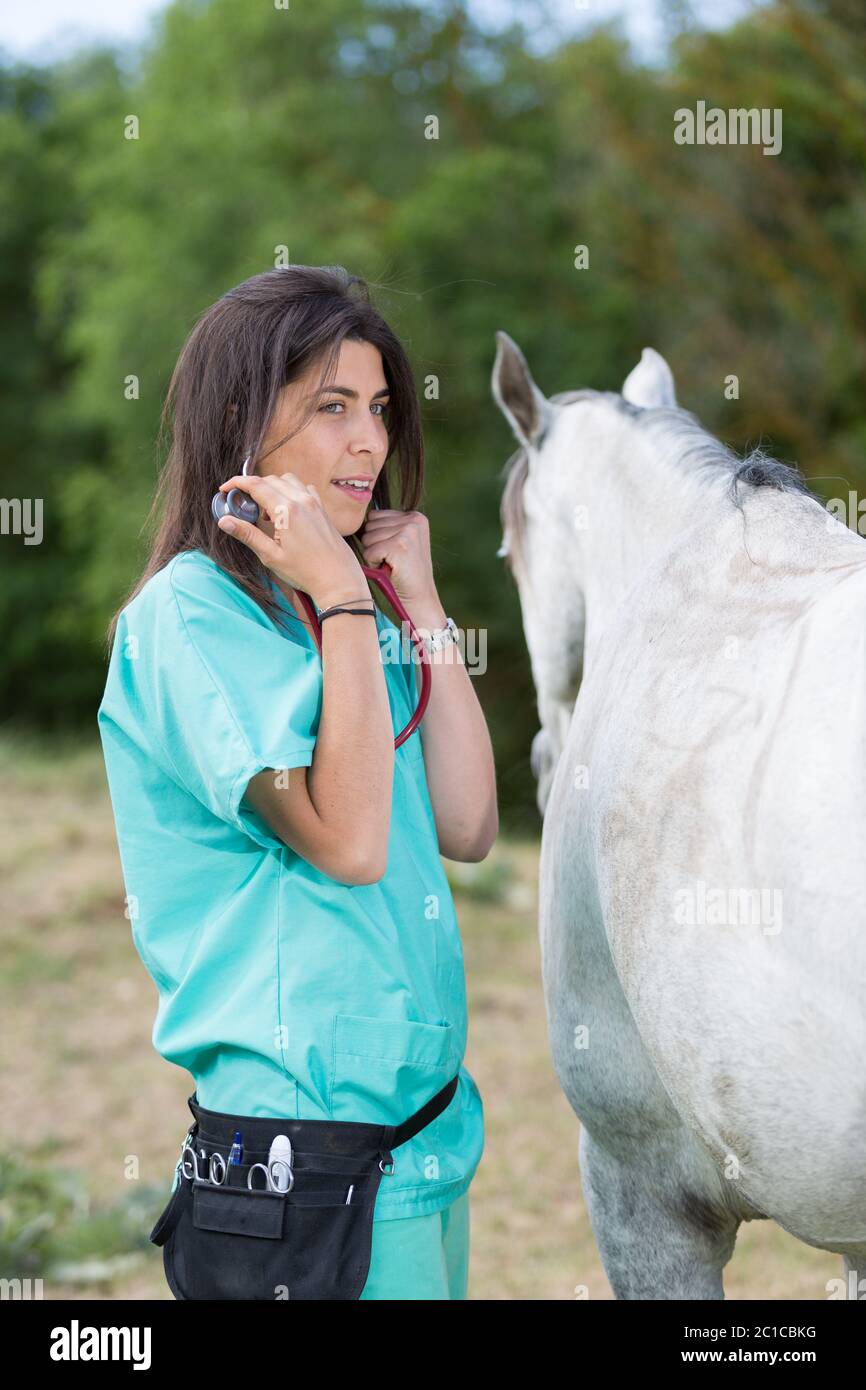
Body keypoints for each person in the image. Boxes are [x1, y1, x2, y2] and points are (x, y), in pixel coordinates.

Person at [97, 264, 497, 1300]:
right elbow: (349, 841)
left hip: (419, 1128)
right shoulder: (188, 620)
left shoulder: (351, 610)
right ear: (238, 420)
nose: (367, 441)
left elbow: (467, 822)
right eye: (329, 408)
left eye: (376, 409)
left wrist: (419, 603)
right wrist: (341, 599)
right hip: (306, 1149)